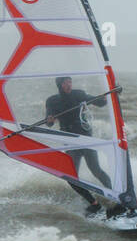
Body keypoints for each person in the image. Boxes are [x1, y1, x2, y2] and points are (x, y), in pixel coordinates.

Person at [46, 76, 124, 217]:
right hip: (70, 142)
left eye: (70, 82)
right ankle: (94, 204)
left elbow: (100, 102)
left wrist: (112, 93)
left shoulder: (79, 94)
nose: (68, 84)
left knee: (96, 170)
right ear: (59, 85)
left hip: (85, 138)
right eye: (65, 83)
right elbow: (49, 122)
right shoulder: (52, 101)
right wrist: (50, 120)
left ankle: (117, 198)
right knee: (70, 176)